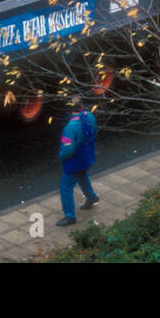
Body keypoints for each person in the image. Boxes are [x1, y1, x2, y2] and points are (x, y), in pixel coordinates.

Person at [56, 97, 99, 227]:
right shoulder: (89, 116)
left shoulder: (70, 127)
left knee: (65, 188)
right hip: (87, 155)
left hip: (75, 160)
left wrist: (61, 156)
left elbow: (68, 149)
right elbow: (95, 130)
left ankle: (70, 216)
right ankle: (91, 197)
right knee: (82, 176)